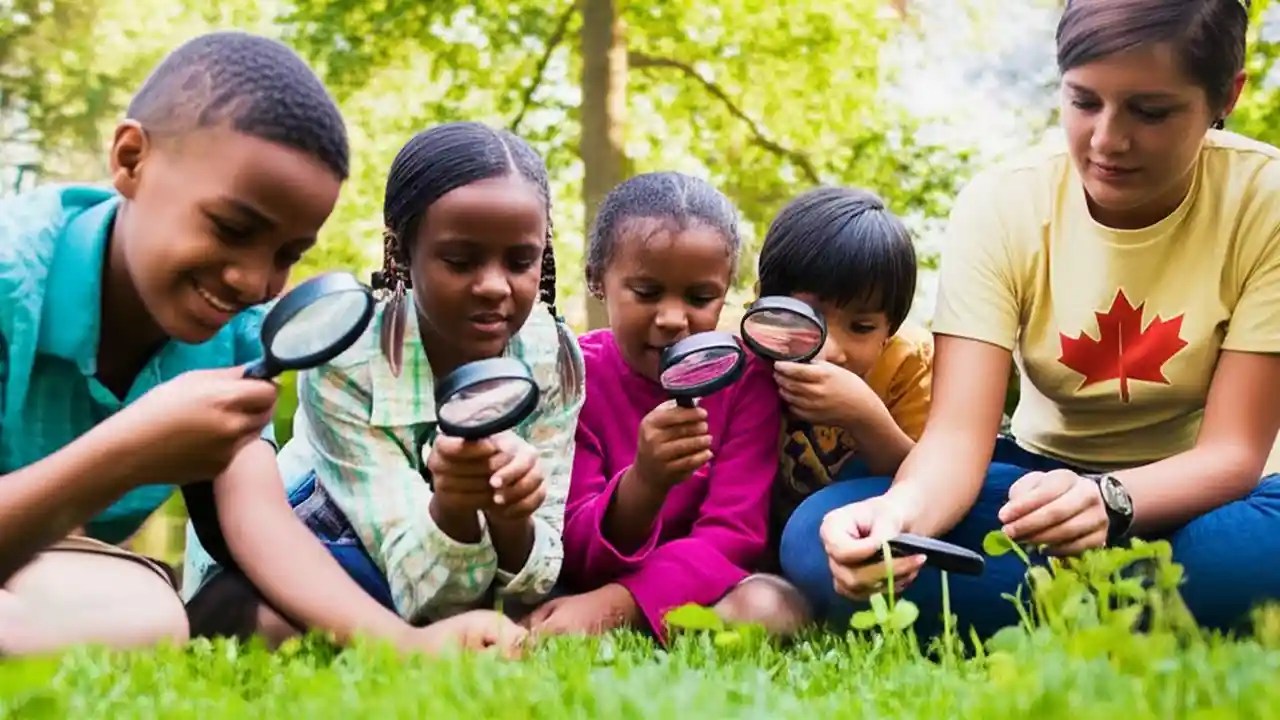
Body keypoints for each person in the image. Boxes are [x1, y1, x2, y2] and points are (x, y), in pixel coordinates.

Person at [783, 0, 1280, 640]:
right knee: (817, 536)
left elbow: (1233, 454)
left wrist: (1112, 502)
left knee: (1230, 561)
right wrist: (896, 516)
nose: (1107, 140)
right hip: (1039, 482)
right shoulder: (1003, 204)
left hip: (1219, 497)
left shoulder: (1264, 203)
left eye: (1150, 112)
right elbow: (959, 440)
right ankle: (1155, 607)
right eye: (1083, 102)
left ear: (1225, 96)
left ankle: (1075, 602)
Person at [0, 31, 349, 656]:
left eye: (287, 255)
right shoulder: (12, 278)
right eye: (232, 227)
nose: (252, 281)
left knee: (225, 617)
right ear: (131, 160)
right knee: (140, 618)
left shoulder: (238, 338)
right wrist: (129, 451)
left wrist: (409, 641)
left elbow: (260, 525)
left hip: (42, 572)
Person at [183, 122, 583, 658]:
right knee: (261, 619)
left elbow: (538, 567)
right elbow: (417, 587)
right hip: (333, 545)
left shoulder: (553, 353)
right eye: (460, 261)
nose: (494, 285)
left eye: (520, 261)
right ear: (402, 253)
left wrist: (513, 516)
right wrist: (454, 508)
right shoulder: (344, 357)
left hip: (471, 569)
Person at [524, 172, 804, 642]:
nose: (673, 319)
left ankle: (629, 624)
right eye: (647, 292)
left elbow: (733, 535)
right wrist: (645, 484)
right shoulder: (572, 373)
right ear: (598, 281)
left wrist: (620, 606)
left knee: (769, 607)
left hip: (707, 585)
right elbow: (573, 543)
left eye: (700, 298)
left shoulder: (747, 380)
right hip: (586, 580)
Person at [757, 188, 933, 539]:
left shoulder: (910, 363)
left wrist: (865, 417)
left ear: (889, 330)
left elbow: (926, 484)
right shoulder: (747, 349)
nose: (829, 350)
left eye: (861, 327)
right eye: (808, 317)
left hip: (859, 529)